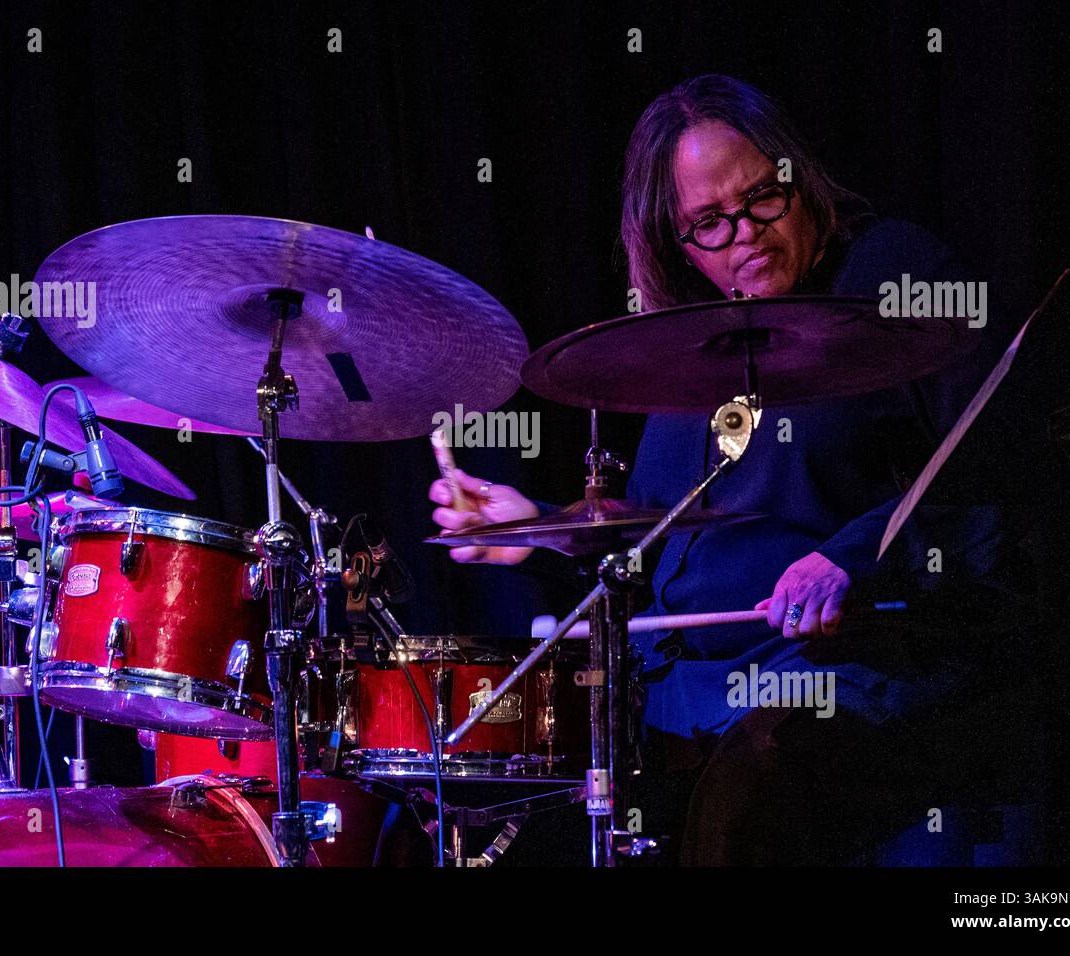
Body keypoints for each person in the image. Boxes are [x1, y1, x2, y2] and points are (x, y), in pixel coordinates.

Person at [429, 75, 1034, 864]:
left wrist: (852, 561)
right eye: (710, 223)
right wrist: (532, 534)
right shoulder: (689, 350)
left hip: (843, 676)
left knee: (753, 789)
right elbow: (642, 567)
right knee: (496, 806)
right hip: (683, 695)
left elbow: (994, 485)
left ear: (798, 176)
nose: (745, 232)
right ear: (676, 241)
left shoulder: (891, 276)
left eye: (763, 199)